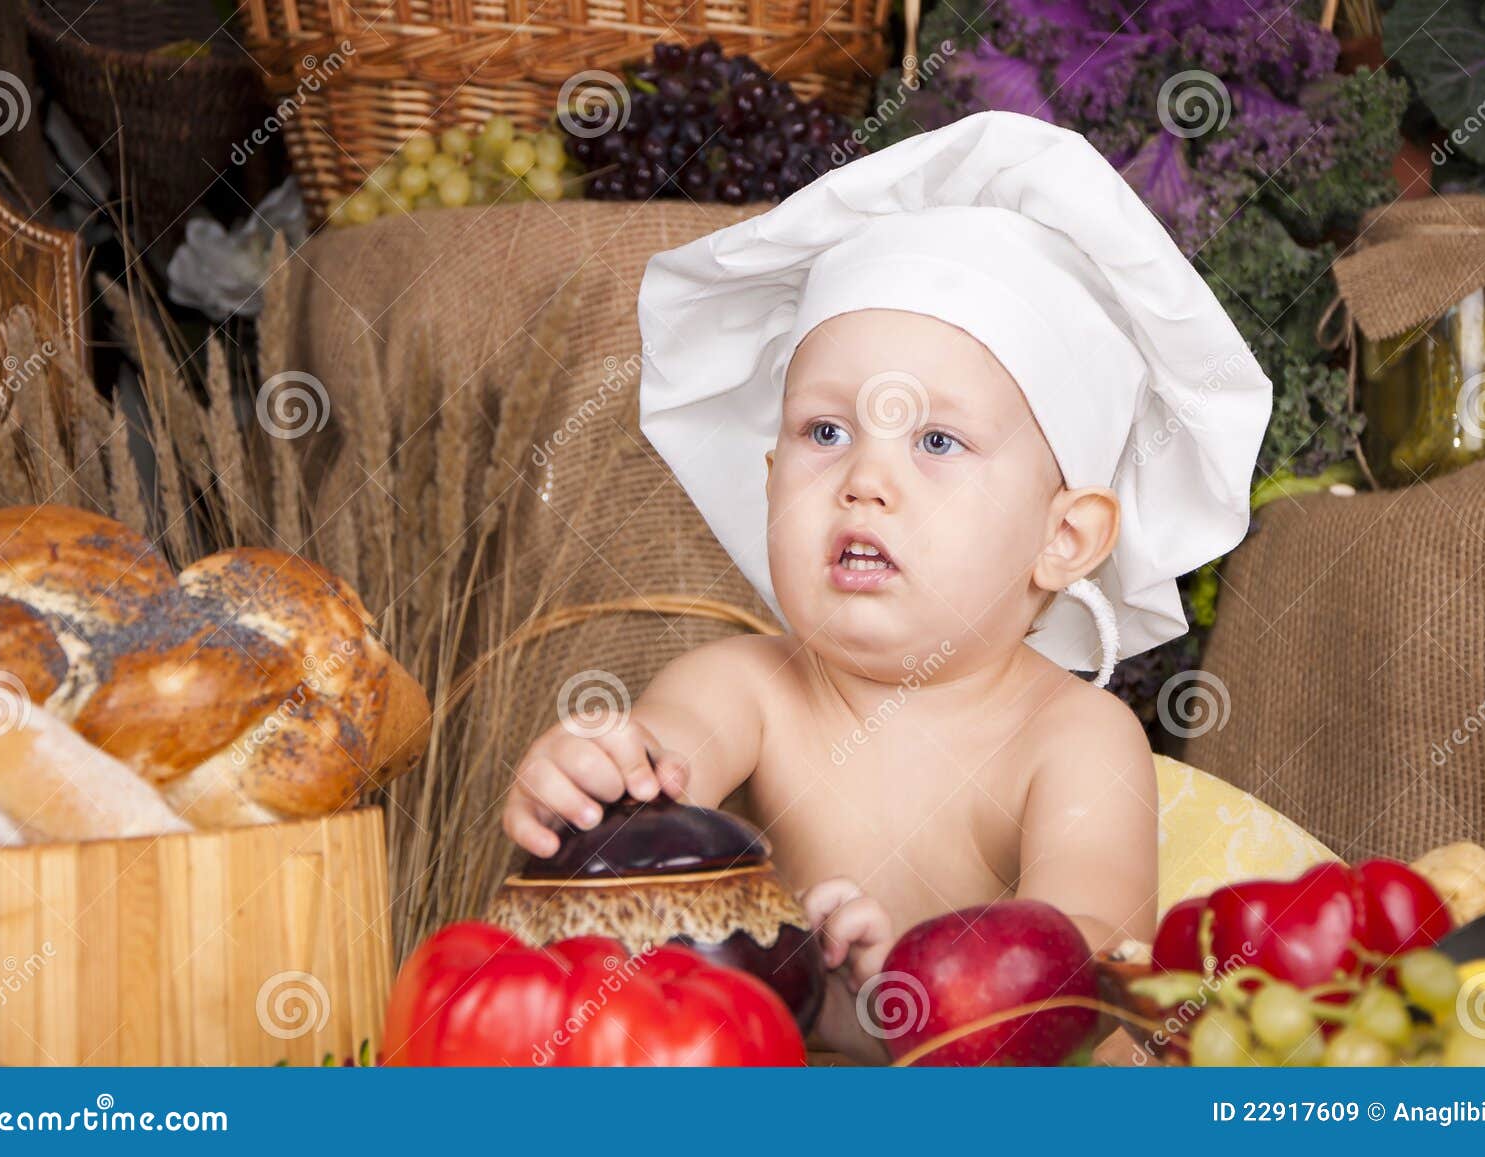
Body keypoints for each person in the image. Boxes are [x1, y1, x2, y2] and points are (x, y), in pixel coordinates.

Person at [501, 110, 1271, 1061]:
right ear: (770, 477)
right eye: (826, 432)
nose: (865, 479)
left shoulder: (1072, 736)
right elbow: (657, 783)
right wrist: (592, 783)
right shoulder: (741, 686)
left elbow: (1090, 977)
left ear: (1064, 536)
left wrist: (920, 994)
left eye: (937, 442)